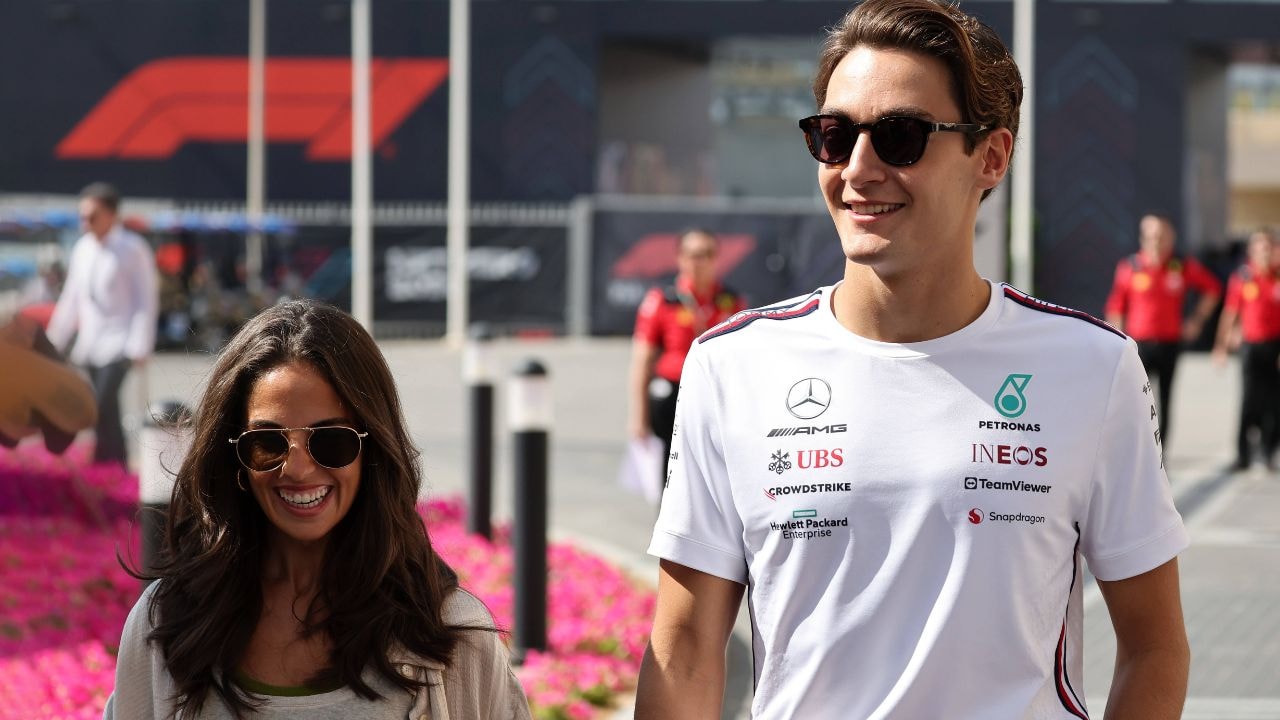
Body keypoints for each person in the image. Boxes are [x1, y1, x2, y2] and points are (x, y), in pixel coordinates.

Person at [636, 1, 1190, 718]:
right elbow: (681, 652)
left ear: (990, 156)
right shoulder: (730, 367)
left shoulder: (1092, 367)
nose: (858, 169)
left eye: (900, 136)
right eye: (834, 136)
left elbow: (1155, 646)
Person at [104, 300, 531, 719]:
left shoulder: (452, 636)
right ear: (234, 455)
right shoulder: (167, 625)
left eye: (332, 441)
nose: (298, 468)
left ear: (374, 452)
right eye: (267, 443)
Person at [45, 182, 159, 466]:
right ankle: (112, 467)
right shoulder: (83, 248)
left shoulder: (133, 248)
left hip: (121, 342)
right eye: (82, 216)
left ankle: (104, 462)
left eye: (92, 216)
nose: (85, 223)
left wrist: (140, 345)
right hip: (91, 343)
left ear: (111, 214)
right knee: (106, 412)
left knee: (98, 405)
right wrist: (53, 341)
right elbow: (72, 298)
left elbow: (146, 299)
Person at [628, 229, 747, 479]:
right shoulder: (663, 300)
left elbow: (742, 358)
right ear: (680, 258)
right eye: (692, 255)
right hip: (672, 392)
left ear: (716, 259)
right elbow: (642, 359)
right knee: (673, 467)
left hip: (714, 393)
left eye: (705, 255)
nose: (698, 263)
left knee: (714, 468)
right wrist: (638, 416)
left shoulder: (730, 301)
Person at [1104, 212, 1221, 448]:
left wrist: (1196, 320)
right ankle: (1134, 447)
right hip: (1139, 345)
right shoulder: (1131, 267)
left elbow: (1212, 289)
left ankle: (1160, 451)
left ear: (1170, 238)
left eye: (1161, 236)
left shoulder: (1181, 266)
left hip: (1169, 342)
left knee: (1166, 398)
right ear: (1143, 238)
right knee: (1135, 399)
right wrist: (1115, 342)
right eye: (1151, 236)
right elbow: (1116, 306)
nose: (1156, 241)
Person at [1212, 228, 1280, 471]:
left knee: (1274, 403)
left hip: (1275, 346)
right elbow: (1230, 313)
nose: (1264, 252)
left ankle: (1269, 452)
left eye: (1268, 247)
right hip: (1251, 346)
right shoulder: (1243, 277)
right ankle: (1243, 455)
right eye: (1259, 247)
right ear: (1251, 251)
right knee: (1249, 401)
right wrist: (1220, 346)